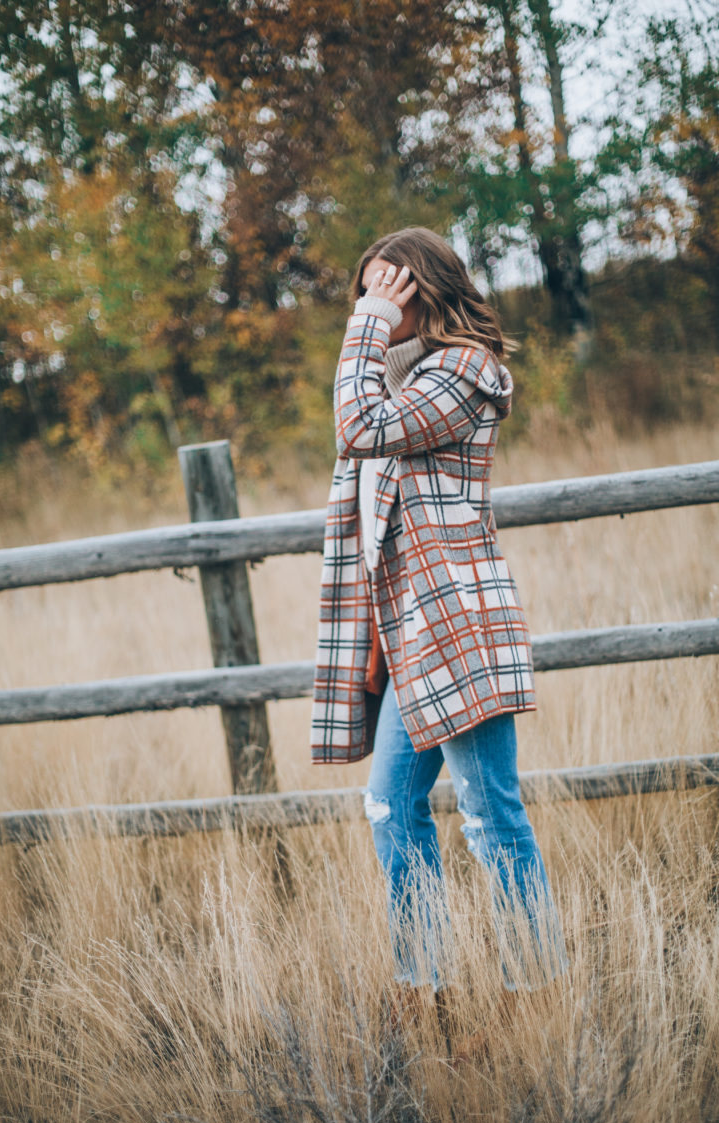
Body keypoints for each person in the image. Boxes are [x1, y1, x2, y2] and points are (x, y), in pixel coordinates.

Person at [310, 227, 568, 1029]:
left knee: (491, 816)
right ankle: (422, 986)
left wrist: (364, 331)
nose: (372, 306)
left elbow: (363, 429)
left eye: (385, 290)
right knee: (390, 806)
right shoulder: (402, 379)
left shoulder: (465, 371)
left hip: (457, 628)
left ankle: (535, 990)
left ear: (424, 287)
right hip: (408, 637)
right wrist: (375, 643)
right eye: (364, 294)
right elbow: (374, 496)